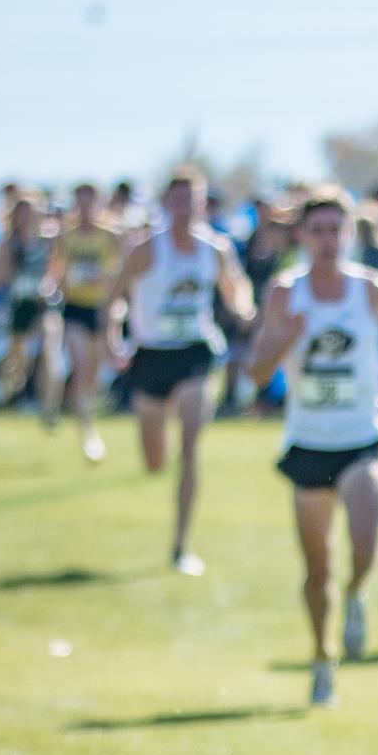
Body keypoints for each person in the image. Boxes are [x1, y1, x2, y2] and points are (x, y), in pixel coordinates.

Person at [247, 191, 378, 707]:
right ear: (301, 237)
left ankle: (357, 594)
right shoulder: (285, 293)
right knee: (317, 567)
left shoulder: (370, 289)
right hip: (308, 444)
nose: (327, 241)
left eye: (336, 230)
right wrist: (286, 339)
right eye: (318, 230)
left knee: (366, 539)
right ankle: (323, 658)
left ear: (350, 234)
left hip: (361, 437)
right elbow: (256, 373)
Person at [103, 169, 256, 575]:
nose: (185, 208)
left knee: (190, 449)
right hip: (151, 356)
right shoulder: (145, 251)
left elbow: (237, 288)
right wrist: (114, 340)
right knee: (154, 461)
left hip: (195, 353)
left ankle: (181, 546)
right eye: (178, 200)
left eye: (193, 200)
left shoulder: (215, 249)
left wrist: (243, 309)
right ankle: (159, 453)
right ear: (165, 205)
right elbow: (114, 300)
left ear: (203, 204)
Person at [54, 182, 121, 463]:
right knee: (80, 366)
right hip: (75, 308)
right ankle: (87, 433)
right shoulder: (66, 237)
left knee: (92, 374)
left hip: (101, 309)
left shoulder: (110, 236)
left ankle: (84, 413)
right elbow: (56, 270)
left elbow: (120, 273)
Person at [0, 193, 63, 424]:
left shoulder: (49, 238)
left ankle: (49, 407)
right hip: (18, 305)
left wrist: (47, 284)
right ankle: (17, 392)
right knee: (19, 359)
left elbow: (56, 269)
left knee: (49, 348)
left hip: (43, 304)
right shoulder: (10, 242)